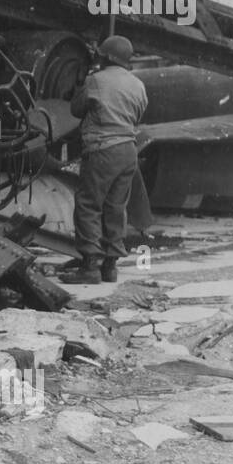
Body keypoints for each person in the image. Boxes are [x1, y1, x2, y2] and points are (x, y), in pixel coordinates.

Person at [61, 35, 148, 284]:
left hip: (103, 149)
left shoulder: (96, 80)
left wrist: (83, 85)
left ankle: (89, 267)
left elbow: (76, 109)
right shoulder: (138, 84)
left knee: (89, 204)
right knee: (116, 207)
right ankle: (110, 267)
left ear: (106, 57)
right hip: (128, 150)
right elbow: (138, 115)